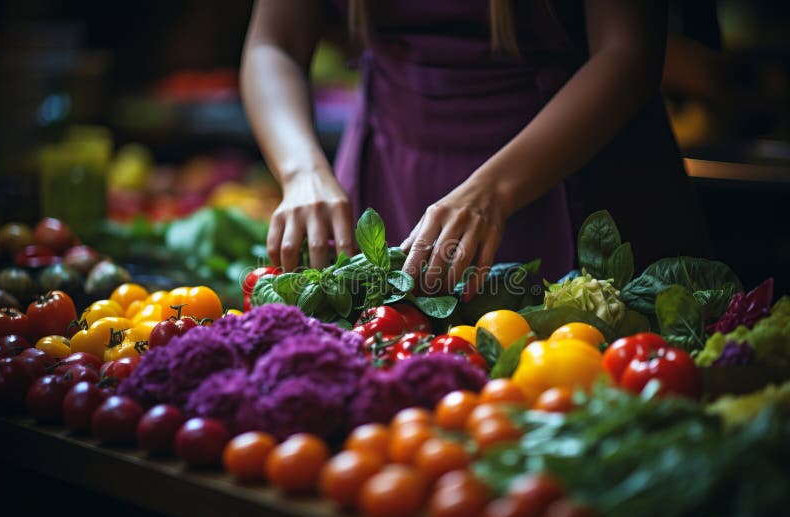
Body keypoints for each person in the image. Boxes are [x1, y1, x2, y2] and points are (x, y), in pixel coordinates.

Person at [241, 0, 710, 298]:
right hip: (389, 176)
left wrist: (495, 191)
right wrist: (301, 171)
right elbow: (273, 43)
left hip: (577, 172)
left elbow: (629, 52)